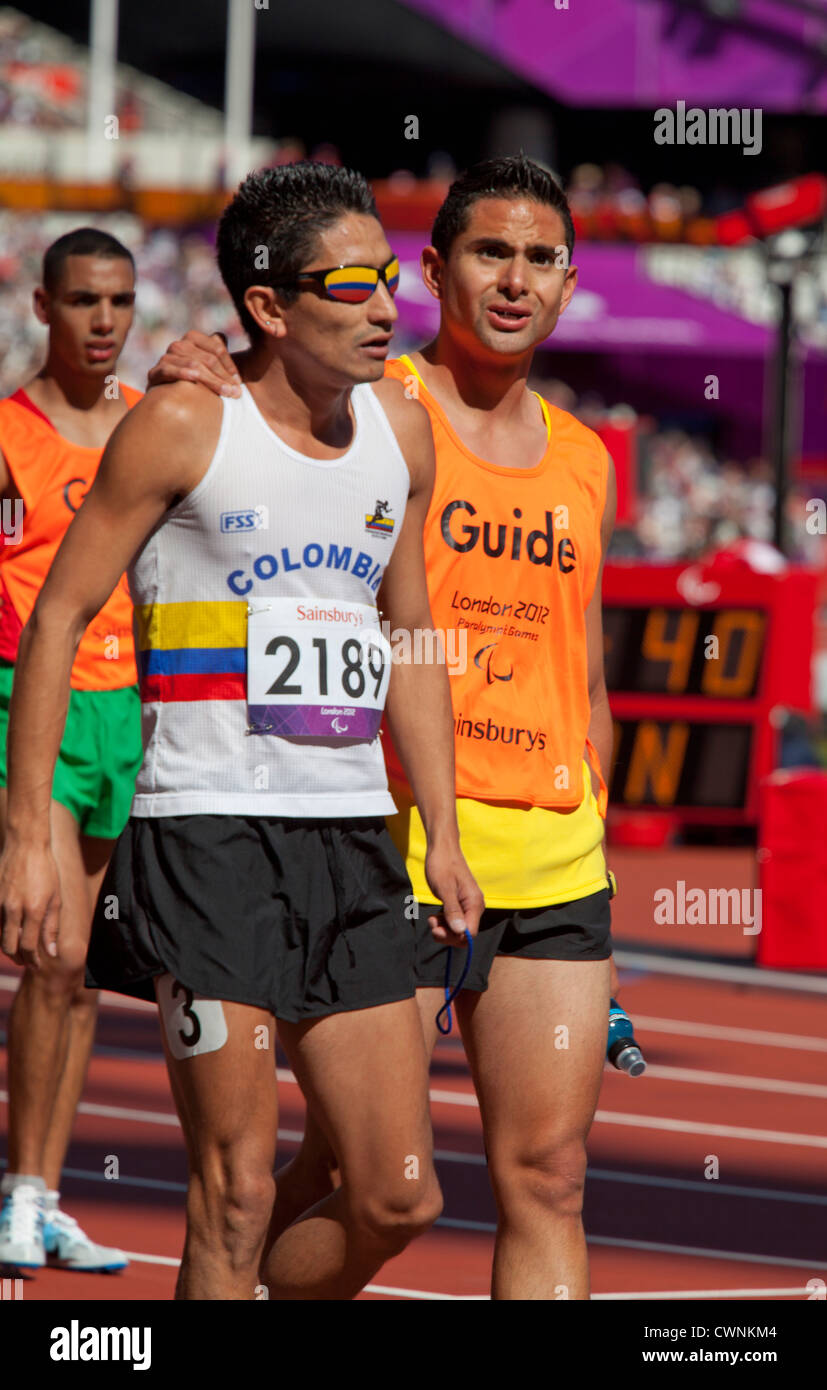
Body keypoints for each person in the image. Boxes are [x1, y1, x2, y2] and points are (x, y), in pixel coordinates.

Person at [0, 163, 483, 1301]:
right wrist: (29, 833)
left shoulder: (400, 437)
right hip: (207, 839)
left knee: (394, 1193)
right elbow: (57, 618)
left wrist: (445, 834)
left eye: (386, 280)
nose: (383, 307)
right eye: (351, 283)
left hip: (352, 841)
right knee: (234, 1188)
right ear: (268, 306)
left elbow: (410, 635)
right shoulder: (181, 422)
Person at [156, 155, 622, 1301]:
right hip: (394, 842)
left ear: (567, 283)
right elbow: (248, 407)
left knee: (548, 1176)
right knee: (359, 1175)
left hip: (554, 854)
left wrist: (600, 852)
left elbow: (587, 675)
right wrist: (197, 360)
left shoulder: (585, 458)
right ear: (432, 269)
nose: (513, 281)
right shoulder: (365, 405)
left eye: (538, 259)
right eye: (487, 253)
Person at [0, 228, 143, 1275]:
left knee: (76, 975)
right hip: (28, 700)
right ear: (43, 307)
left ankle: (36, 1196)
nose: (104, 322)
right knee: (44, 948)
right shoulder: (8, 432)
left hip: (126, 713)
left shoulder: (153, 426)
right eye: (84, 301)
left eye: (120, 303)